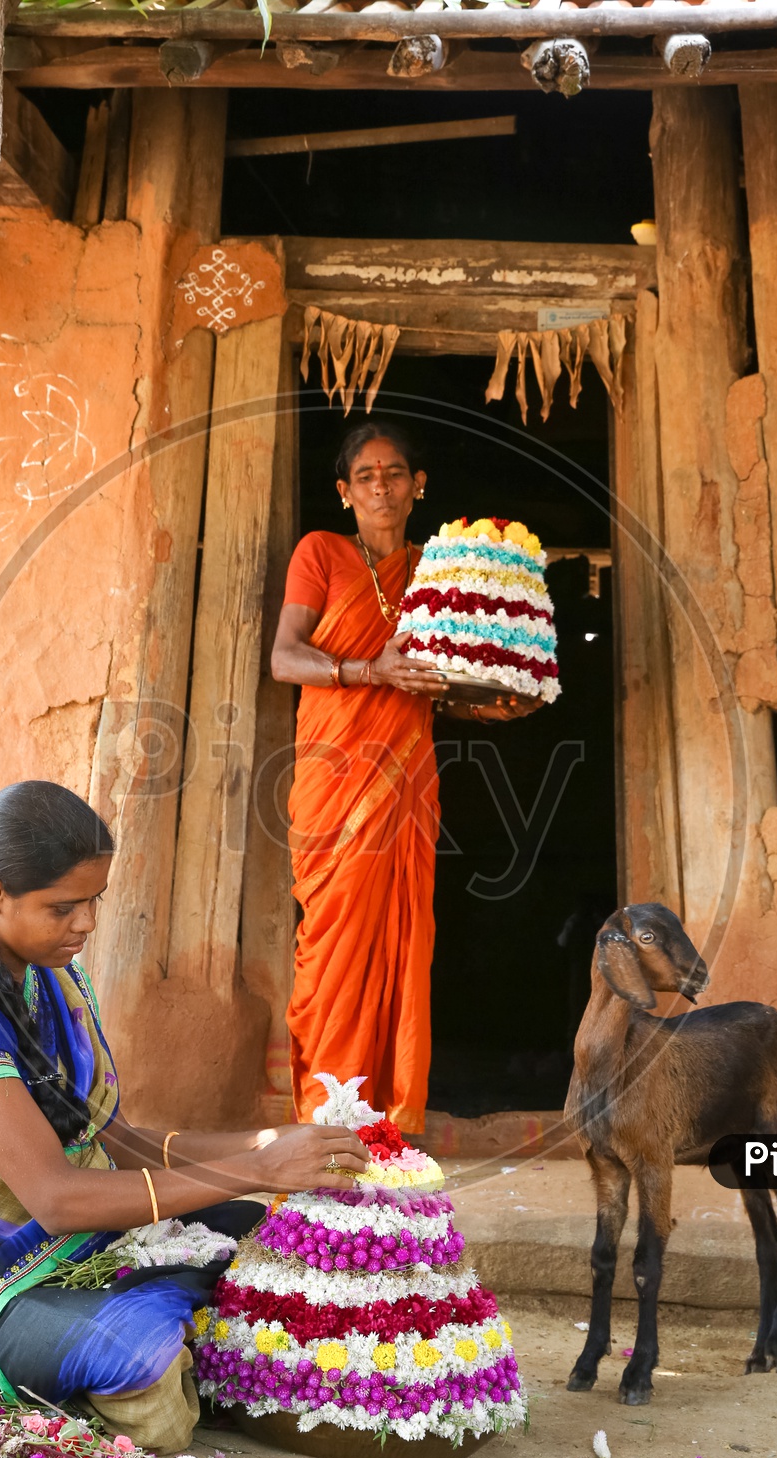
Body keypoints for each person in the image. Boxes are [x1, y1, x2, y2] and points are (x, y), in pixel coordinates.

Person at [0, 781, 367, 1451]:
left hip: (67, 1244)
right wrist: (255, 1165)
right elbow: (57, 1197)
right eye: (63, 907)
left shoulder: (50, 976)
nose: (85, 923)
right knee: (140, 1353)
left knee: (270, 1240)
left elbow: (114, 1139)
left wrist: (269, 1144)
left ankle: (143, 1360)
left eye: (93, 901)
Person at [271, 423, 535, 1133]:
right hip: (333, 778)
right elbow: (285, 658)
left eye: (394, 472)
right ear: (344, 491)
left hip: (405, 776)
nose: (380, 485)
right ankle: (327, 1116)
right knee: (333, 938)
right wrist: (366, 671)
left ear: (419, 485)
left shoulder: (440, 567)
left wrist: (491, 700)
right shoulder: (320, 553)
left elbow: (440, 682)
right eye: (364, 475)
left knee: (399, 937)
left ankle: (385, 1118)